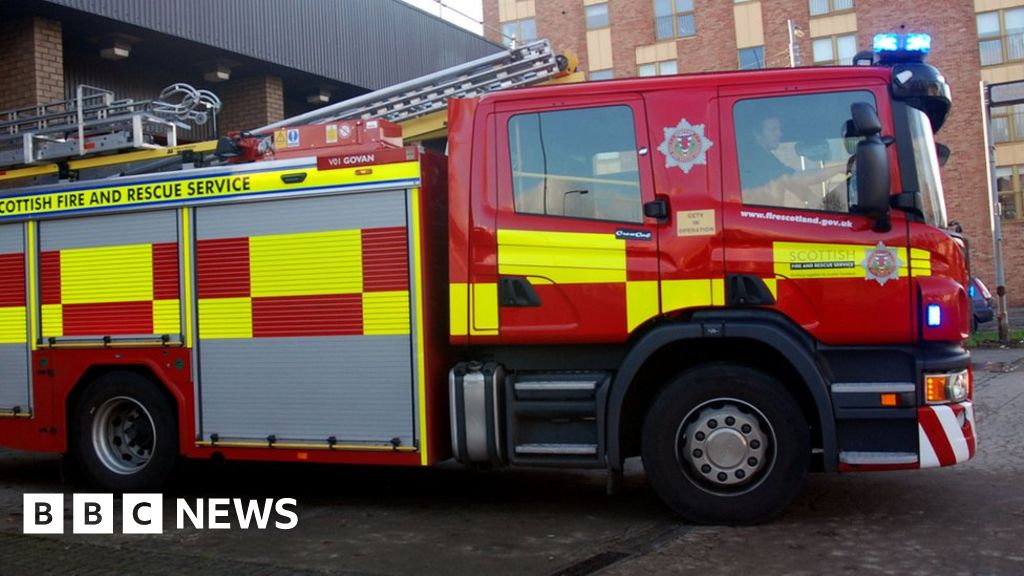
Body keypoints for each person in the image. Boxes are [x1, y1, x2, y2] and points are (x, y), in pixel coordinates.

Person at [740, 116, 847, 210]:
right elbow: (796, 178)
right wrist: (840, 168)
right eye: (773, 130)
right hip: (760, 225)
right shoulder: (756, 158)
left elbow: (791, 183)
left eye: (779, 129)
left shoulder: (765, 158)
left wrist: (811, 198)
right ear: (757, 134)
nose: (780, 133)